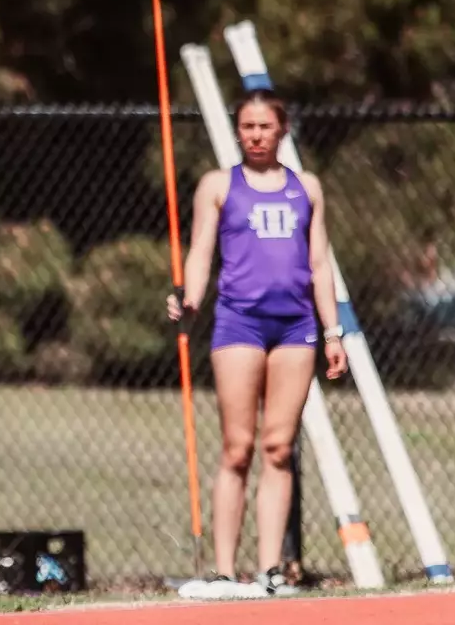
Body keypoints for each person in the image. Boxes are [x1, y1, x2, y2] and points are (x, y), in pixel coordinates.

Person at [168, 89, 349, 600]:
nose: (256, 135)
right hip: (239, 324)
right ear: (237, 130)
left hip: (296, 327)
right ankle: (225, 572)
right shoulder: (219, 186)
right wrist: (190, 299)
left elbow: (318, 264)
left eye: (265, 126)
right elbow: (202, 251)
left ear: (282, 129)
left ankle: (271, 569)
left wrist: (334, 332)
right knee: (237, 447)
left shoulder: (305, 188)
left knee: (278, 447)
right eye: (247, 126)